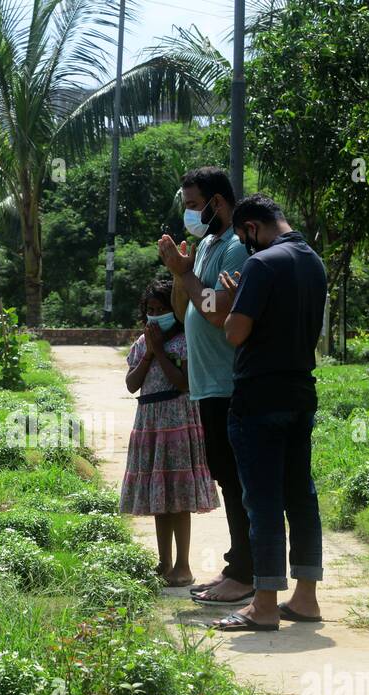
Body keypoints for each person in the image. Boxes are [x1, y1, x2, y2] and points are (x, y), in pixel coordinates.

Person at [211, 194, 327, 631]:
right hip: (300, 390)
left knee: (261, 500)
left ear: (252, 228)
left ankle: (263, 605)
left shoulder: (261, 265)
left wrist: (236, 298)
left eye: (245, 238)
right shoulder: (313, 261)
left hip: (259, 395)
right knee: (300, 496)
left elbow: (236, 333)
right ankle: (306, 600)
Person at [156, 167, 253, 607]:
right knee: (224, 474)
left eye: (195, 206)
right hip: (205, 385)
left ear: (217, 203)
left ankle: (247, 572)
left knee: (236, 479)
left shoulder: (236, 247)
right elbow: (183, 308)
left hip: (229, 382)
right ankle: (237, 564)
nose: (189, 215)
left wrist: (188, 276)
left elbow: (216, 309)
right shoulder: (206, 244)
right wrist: (179, 270)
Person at [120, 277, 218, 586]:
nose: (154, 314)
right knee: (159, 498)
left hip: (176, 420)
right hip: (149, 421)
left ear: (174, 311)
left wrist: (160, 351)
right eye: (150, 309)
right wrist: (149, 352)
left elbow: (183, 382)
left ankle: (183, 566)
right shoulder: (141, 344)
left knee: (178, 497)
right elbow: (131, 384)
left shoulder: (184, 341)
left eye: (161, 308)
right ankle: (163, 563)